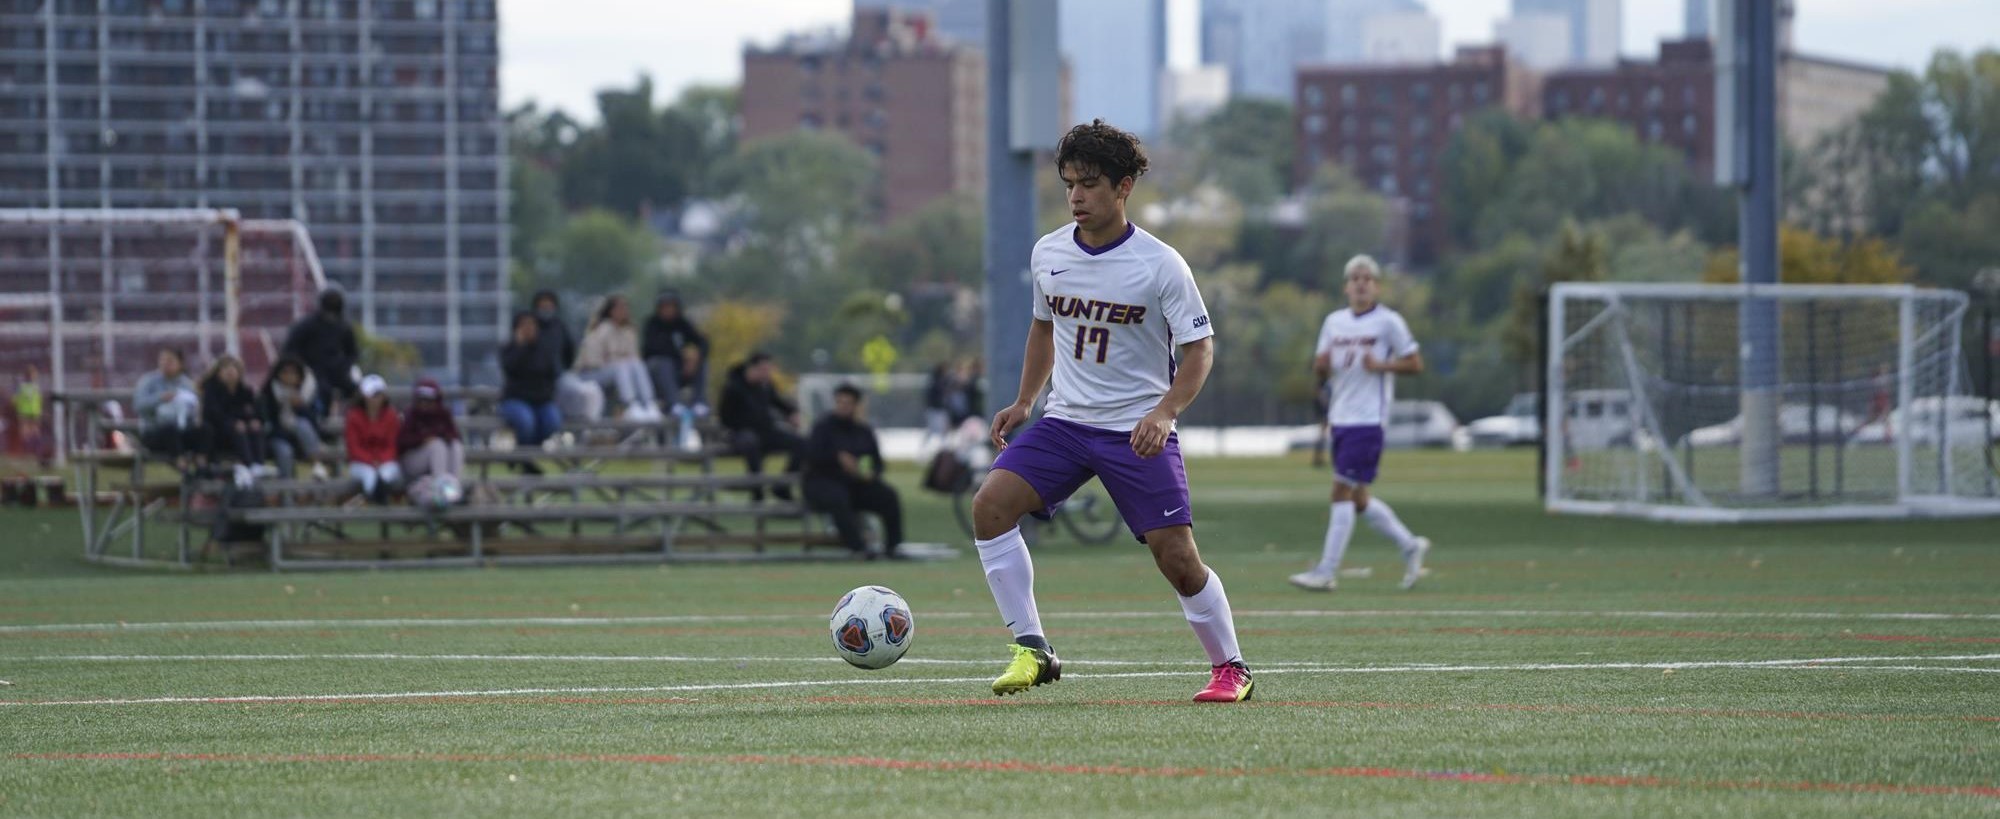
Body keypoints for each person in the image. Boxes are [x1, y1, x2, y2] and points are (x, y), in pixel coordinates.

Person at [974, 119, 1251, 703]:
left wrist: (1166, 412)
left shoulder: (1161, 264)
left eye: (1090, 184)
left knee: (1177, 560)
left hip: (1137, 431)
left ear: (1123, 187)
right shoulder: (1048, 252)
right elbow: (1043, 328)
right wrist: (1025, 400)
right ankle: (1032, 648)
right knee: (990, 507)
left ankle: (1232, 668)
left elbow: (1200, 349)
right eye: (1069, 183)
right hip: (1067, 423)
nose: (1076, 196)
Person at [1288, 254, 1433, 593]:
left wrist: (1382, 366)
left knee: (1340, 490)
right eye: (1355, 278)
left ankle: (1326, 570)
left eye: (1367, 278)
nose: (1361, 283)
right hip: (1341, 417)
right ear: (1346, 286)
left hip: (1368, 420)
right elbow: (1322, 369)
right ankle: (1410, 544)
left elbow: (1415, 363)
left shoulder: (1388, 322)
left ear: (1377, 286)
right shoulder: (1334, 321)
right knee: (1358, 498)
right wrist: (1320, 365)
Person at [803, 384, 903, 558]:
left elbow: (876, 461)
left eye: (848, 402)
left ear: (856, 405)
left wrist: (872, 473)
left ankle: (893, 547)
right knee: (838, 498)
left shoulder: (863, 431)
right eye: (840, 402)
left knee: (888, 496)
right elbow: (812, 456)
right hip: (824, 482)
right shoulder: (823, 427)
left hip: (855, 484)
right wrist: (837, 458)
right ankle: (858, 547)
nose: (843, 406)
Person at [718, 352, 804, 500]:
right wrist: (743, 425)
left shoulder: (765, 386)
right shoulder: (733, 387)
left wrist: (792, 413)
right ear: (752, 368)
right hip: (742, 433)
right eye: (764, 369)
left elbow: (778, 402)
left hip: (766, 431)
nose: (767, 373)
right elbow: (725, 417)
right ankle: (757, 490)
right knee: (750, 442)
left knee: (802, 444)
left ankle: (782, 486)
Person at [576, 294, 662, 420]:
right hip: (591, 374)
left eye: (625, 307)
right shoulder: (601, 329)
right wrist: (615, 360)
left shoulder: (629, 331)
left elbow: (633, 357)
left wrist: (622, 359)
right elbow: (592, 360)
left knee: (637, 363)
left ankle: (648, 404)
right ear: (611, 311)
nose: (624, 311)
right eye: (620, 308)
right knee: (620, 366)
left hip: (620, 372)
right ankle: (629, 404)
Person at [281, 287, 360, 415]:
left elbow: (353, 352)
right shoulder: (308, 325)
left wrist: (345, 366)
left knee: (356, 391)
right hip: (312, 369)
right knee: (323, 391)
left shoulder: (343, 327)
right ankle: (321, 418)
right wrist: (301, 367)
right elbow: (290, 348)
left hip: (337, 369)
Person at [200, 355, 268, 485]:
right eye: (226, 370)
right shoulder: (211, 390)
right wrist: (234, 421)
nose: (230, 373)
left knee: (255, 427)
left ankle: (258, 464)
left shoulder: (245, 390)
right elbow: (214, 414)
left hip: (243, 429)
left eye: (233, 369)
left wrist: (254, 420)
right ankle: (248, 464)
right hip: (219, 433)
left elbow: (255, 411)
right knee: (238, 428)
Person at [642, 290, 711, 416]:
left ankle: (699, 402)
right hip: (656, 371)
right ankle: (674, 403)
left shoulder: (681, 323)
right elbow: (653, 349)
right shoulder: (653, 324)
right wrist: (683, 358)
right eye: (665, 307)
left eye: (672, 306)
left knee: (702, 363)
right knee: (664, 362)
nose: (669, 310)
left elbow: (702, 341)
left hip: (678, 368)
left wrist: (696, 358)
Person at [397, 377, 464, 503]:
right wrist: (424, 439)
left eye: (428, 400)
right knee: (436, 445)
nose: (425, 403)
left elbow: (454, 435)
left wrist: (443, 436)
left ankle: (453, 487)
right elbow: (402, 442)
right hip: (412, 462)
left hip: (440, 459)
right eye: (422, 399)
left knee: (455, 445)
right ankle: (441, 488)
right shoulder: (410, 415)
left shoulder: (443, 414)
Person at [133, 348, 204, 468]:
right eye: (162, 360)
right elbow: (138, 406)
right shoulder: (148, 381)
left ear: (180, 364)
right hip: (154, 432)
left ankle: (203, 467)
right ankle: (182, 465)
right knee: (169, 429)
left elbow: (195, 409)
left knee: (205, 430)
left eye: (170, 360)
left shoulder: (187, 384)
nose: (165, 363)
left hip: (182, 432)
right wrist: (160, 399)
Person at [258, 356, 325, 479]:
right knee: (285, 451)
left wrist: (300, 407)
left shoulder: (306, 394)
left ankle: (317, 464)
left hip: (302, 440)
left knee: (302, 424)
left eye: (293, 373)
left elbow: (314, 422)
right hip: (277, 437)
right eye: (285, 372)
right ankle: (286, 489)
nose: (289, 376)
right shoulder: (268, 395)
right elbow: (268, 424)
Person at [344, 374, 403, 502]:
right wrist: (371, 460)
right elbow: (354, 447)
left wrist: (380, 460)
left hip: (386, 461)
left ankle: (377, 500)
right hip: (360, 463)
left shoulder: (391, 416)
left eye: (378, 394)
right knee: (369, 475)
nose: (374, 399)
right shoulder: (353, 416)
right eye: (371, 394)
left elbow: (392, 445)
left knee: (385, 473)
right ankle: (380, 502)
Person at [13, 365, 43, 462]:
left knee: (32, 430)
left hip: (30, 411)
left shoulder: (25, 386)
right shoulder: (32, 386)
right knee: (27, 430)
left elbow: (16, 399)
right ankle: (30, 449)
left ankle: (33, 449)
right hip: (29, 411)